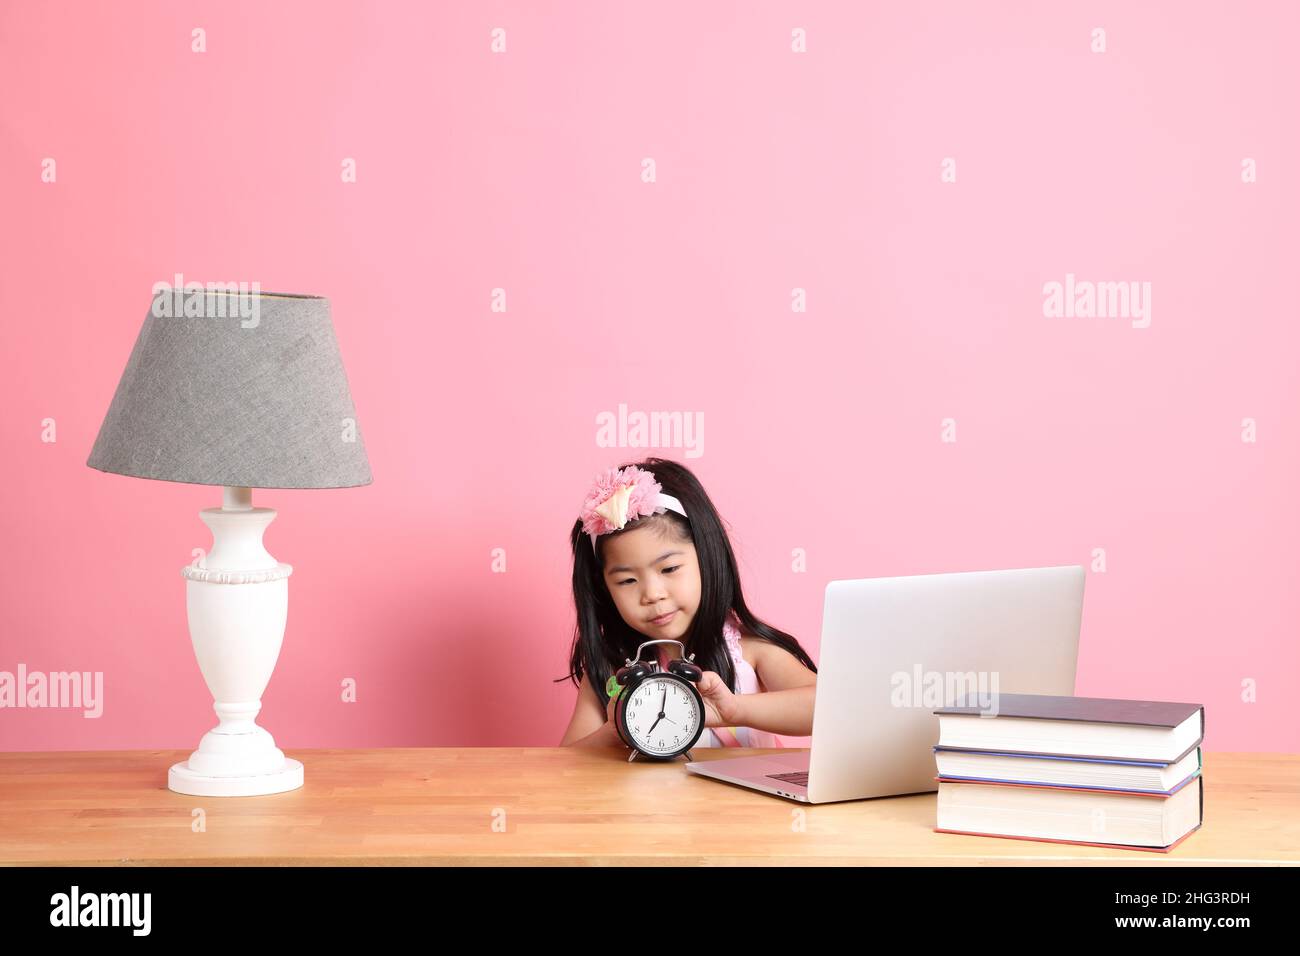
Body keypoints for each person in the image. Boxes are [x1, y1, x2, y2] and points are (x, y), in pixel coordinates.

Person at [558, 458, 817, 749]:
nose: (652, 595)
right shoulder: (612, 669)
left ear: (706, 559)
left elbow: (826, 707)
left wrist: (734, 710)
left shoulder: (749, 650)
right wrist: (615, 729)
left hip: (743, 797)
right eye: (627, 581)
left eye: (669, 569)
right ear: (604, 589)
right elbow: (567, 764)